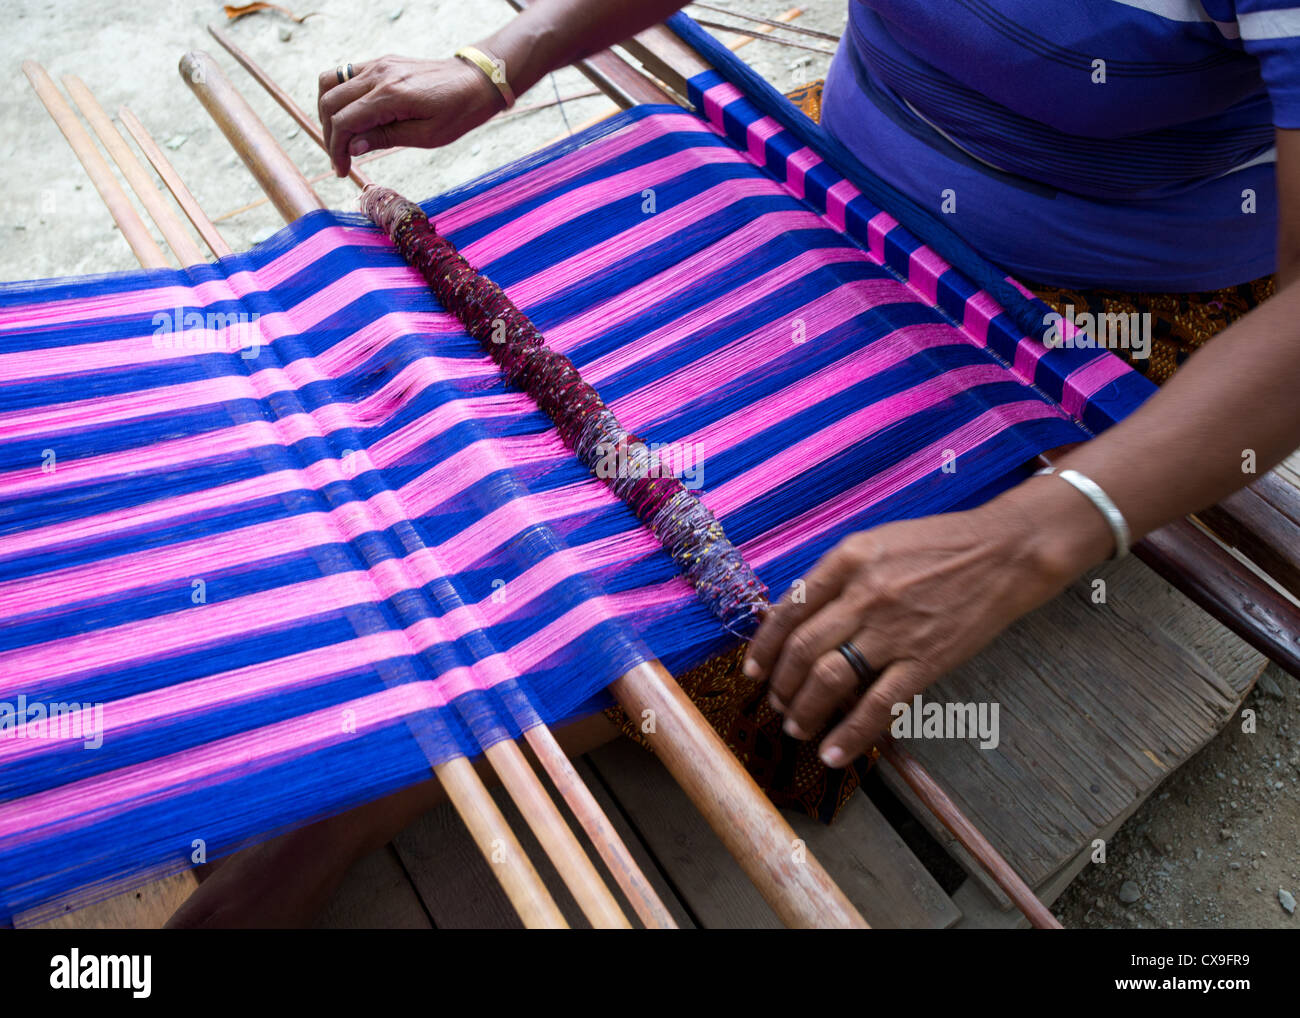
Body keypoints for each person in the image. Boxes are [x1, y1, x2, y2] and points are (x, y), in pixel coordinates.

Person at [170, 0, 1300, 925]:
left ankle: (355, 794)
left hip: (1059, 330)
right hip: (810, 171)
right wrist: (499, 61)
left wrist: (1033, 531)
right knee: (433, 370)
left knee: (683, 571)